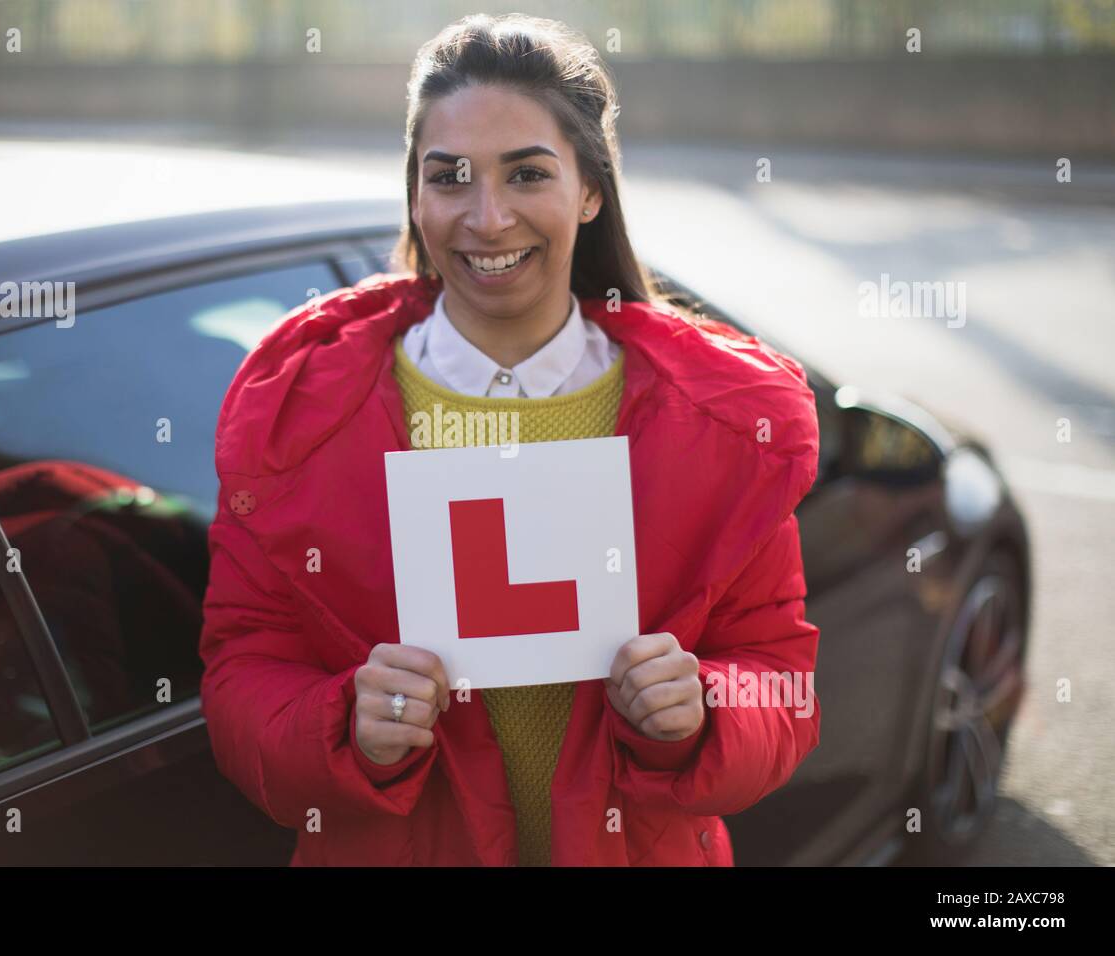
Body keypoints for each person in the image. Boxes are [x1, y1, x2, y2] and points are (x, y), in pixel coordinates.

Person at [199, 13, 821, 866]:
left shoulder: (712, 428)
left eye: (527, 173)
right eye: (449, 177)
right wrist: (343, 722)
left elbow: (778, 674)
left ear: (589, 191)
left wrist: (706, 710)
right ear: (415, 195)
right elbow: (243, 672)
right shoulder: (298, 424)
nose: (487, 218)